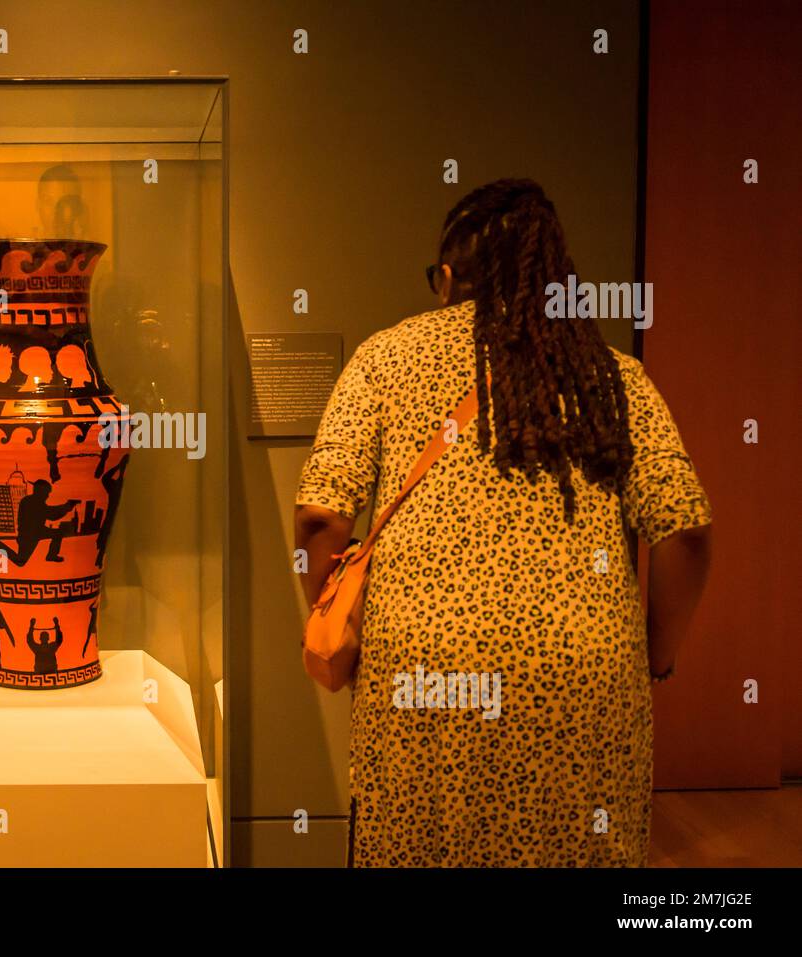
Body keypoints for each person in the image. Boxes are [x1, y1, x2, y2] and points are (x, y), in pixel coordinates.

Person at [294, 179, 712, 867]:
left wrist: (330, 615)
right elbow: (687, 532)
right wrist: (653, 658)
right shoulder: (612, 376)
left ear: (449, 277)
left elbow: (319, 516)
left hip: (423, 673)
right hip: (584, 676)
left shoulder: (384, 358)